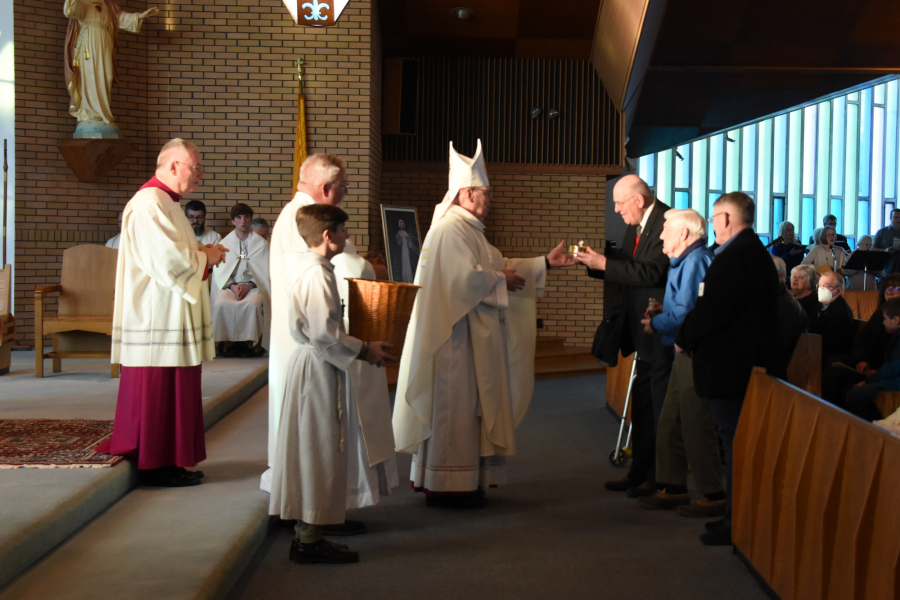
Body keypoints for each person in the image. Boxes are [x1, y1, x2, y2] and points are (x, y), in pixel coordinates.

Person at [393, 139, 574, 508]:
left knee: (468, 411)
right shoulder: (450, 230)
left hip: (468, 337)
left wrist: (544, 263)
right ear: (466, 193)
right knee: (454, 411)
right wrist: (497, 280)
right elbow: (463, 280)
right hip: (453, 341)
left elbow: (496, 265)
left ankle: (462, 480)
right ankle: (447, 485)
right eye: (486, 193)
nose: (491, 199)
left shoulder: (467, 230)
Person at [264, 154, 398, 536]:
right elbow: (343, 280)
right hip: (320, 355)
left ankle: (315, 511)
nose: (347, 193)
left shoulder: (296, 216)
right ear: (326, 190)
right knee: (322, 439)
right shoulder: (309, 229)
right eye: (344, 188)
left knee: (316, 438)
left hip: (311, 350)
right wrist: (363, 347)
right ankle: (313, 517)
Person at [96, 138, 227, 487]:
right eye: (195, 168)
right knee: (158, 392)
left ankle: (171, 459)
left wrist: (202, 249)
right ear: (172, 166)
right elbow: (167, 261)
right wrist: (205, 258)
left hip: (170, 312)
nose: (200, 174)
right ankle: (154, 465)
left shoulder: (167, 203)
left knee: (176, 390)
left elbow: (177, 250)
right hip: (155, 316)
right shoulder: (149, 204)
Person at [674, 192, 779, 546]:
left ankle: (739, 524)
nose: (712, 223)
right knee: (733, 443)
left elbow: (712, 309)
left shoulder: (737, 255)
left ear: (727, 219)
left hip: (732, 368)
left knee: (735, 446)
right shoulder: (748, 252)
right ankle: (735, 519)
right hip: (738, 365)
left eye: (715, 217)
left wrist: (683, 336)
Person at [575, 174, 671, 498]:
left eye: (619, 203)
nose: (616, 210)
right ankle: (639, 472)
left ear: (638, 200)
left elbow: (652, 272)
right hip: (640, 330)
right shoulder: (639, 223)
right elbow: (630, 265)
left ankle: (659, 479)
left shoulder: (665, 223)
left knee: (659, 410)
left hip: (660, 328)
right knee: (642, 407)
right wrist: (595, 263)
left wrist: (606, 263)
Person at [635, 208, 724, 517]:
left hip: (694, 352)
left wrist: (658, 322)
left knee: (694, 423)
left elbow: (690, 315)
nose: (660, 235)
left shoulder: (696, 261)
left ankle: (712, 493)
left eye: (665, 230)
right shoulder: (686, 262)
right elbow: (684, 305)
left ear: (683, 234)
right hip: (683, 349)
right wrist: (664, 310)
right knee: (671, 419)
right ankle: (673, 487)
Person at [63, 0, 157, 133]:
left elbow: (119, 18)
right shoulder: (83, 1)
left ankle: (103, 113)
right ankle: (90, 113)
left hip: (105, 41)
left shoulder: (108, 4)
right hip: (89, 41)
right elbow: (71, 10)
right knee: (90, 75)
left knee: (105, 76)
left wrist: (139, 16)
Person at [211, 203, 271, 356]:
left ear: (251, 220)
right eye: (238, 217)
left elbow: (265, 272)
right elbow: (220, 271)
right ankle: (226, 345)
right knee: (221, 303)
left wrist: (249, 285)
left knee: (253, 305)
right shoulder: (224, 244)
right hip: (230, 286)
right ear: (233, 221)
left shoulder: (262, 244)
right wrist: (232, 286)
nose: (243, 221)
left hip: (254, 286)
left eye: (246, 217)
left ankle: (250, 346)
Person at [843, 300, 900, 422]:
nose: (883, 323)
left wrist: (869, 381)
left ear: (896, 320)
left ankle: (872, 428)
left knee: (854, 395)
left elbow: (893, 367)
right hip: (892, 377)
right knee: (849, 389)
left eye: (885, 319)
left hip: (896, 382)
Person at [771, 256, 808, 380]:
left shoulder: (786, 305)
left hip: (780, 371)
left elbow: (778, 347)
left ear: (780, 276)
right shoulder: (771, 298)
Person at [808, 270, 857, 362]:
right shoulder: (817, 306)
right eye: (819, 285)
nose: (821, 289)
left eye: (826, 286)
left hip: (831, 355)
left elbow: (831, 343)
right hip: (814, 349)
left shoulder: (842, 312)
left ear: (838, 291)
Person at [394, 218, 418, 283]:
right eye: (400, 224)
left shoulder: (405, 232)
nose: (401, 226)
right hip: (403, 248)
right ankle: (405, 277)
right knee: (404, 262)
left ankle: (409, 277)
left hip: (406, 248)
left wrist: (408, 241)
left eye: (402, 224)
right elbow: (398, 241)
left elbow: (408, 240)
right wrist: (399, 239)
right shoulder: (399, 233)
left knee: (407, 262)